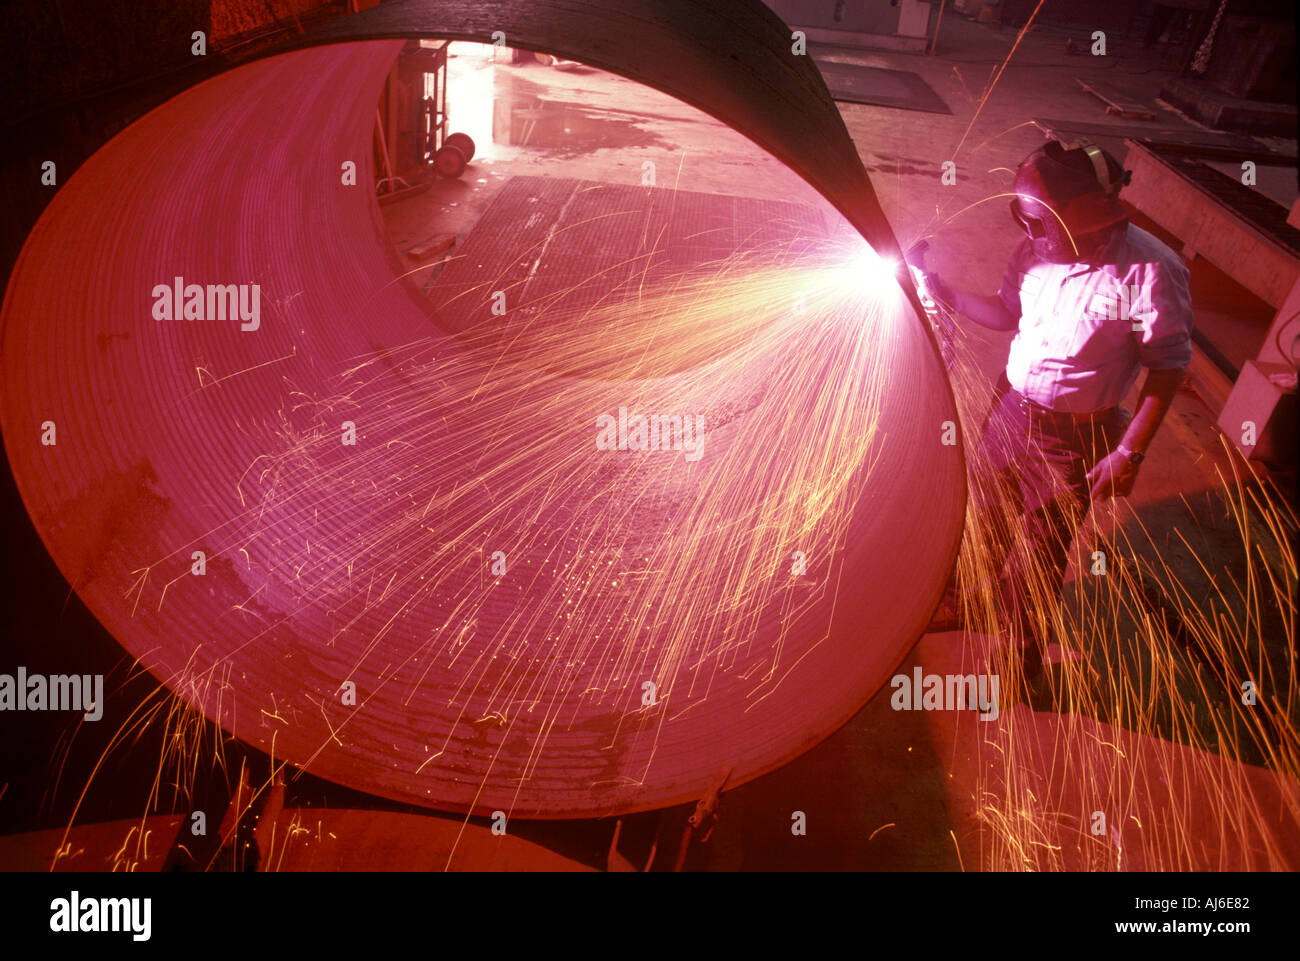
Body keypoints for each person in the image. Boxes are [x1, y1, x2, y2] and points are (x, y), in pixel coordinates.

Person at [919, 139, 1194, 676]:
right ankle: (961, 600)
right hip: (1009, 410)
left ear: (1092, 218)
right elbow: (1004, 312)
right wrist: (946, 293)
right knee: (983, 520)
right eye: (1032, 226)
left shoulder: (1152, 272)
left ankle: (1020, 658)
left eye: (1047, 227)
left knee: (1041, 555)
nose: (1037, 239)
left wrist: (1131, 452)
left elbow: (1167, 369)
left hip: (1075, 436)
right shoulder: (1035, 249)